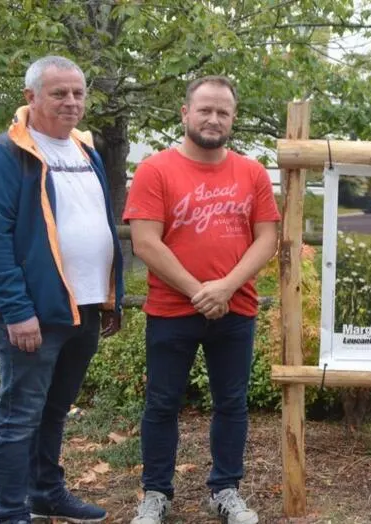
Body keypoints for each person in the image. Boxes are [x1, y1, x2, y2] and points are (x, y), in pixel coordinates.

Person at [0, 55, 125, 523]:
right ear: (30, 97)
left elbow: (96, 225)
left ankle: (44, 493)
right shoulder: (5, 155)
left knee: (55, 410)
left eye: (78, 93)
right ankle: (10, 511)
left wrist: (110, 294)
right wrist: (17, 311)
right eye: (59, 93)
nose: (71, 102)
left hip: (86, 306)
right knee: (19, 417)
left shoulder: (85, 150)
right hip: (34, 312)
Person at [124, 75, 281, 524]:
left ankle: (225, 490)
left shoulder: (251, 172)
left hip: (236, 309)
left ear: (233, 119)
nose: (213, 119)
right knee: (162, 404)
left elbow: (266, 239)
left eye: (223, 112)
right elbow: (146, 243)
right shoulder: (155, 170)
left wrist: (226, 287)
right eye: (205, 110)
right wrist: (198, 291)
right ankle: (156, 494)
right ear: (185, 113)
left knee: (231, 403)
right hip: (172, 310)